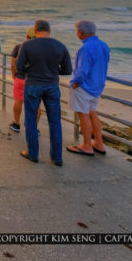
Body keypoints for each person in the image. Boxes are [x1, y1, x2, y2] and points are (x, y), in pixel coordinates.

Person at [15, 20, 72, 166]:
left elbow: (19, 67)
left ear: (35, 30)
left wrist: (31, 70)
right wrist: (53, 71)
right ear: (49, 30)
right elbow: (67, 70)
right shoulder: (60, 45)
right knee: (55, 121)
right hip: (52, 85)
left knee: (31, 119)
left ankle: (32, 153)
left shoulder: (27, 45)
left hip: (33, 84)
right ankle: (57, 157)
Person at [66, 20, 110, 156]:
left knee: (83, 115)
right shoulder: (104, 45)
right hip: (97, 86)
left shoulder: (85, 48)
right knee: (93, 113)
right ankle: (99, 143)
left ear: (80, 33)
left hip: (84, 86)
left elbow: (82, 71)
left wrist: (75, 83)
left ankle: (86, 145)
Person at [9, 26, 41, 132]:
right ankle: (33, 127)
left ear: (27, 36)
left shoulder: (19, 47)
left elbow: (13, 64)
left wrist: (14, 74)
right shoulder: (41, 48)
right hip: (36, 80)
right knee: (37, 104)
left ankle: (16, 124)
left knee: (18, 100)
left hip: (21, 78)